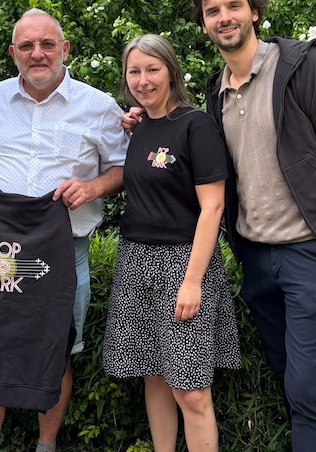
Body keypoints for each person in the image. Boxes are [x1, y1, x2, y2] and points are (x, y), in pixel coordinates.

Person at [126, 0, 316, 451]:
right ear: (203, 24)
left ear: (254, 11)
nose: (224, 17)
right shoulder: (216, 97)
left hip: (309, 255)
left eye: (233, 6)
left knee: (305, 384)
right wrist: (143, 123)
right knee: (286, 374)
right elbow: (192, 157)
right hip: (257, 261)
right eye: (212, 11)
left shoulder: (301, 66)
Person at [0, 8, 129, 452]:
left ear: (65, 49)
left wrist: (92, 187)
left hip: (63, 250)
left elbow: (123, 168)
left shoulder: (99, 106)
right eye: (27, 46)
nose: (38, 54)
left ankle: (45, 447)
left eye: (47, 44)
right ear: (12, 52)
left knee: (57, 349)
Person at [102, 34, 240, 452]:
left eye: (152, 69)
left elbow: (212, 208)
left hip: (184, 263)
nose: (143, 80)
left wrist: (193, 280)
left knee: (192, 390)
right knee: (154, 374)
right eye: (134, 71)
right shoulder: (139, 126)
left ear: (172, 71)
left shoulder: (196, 126)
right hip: (135, 260)